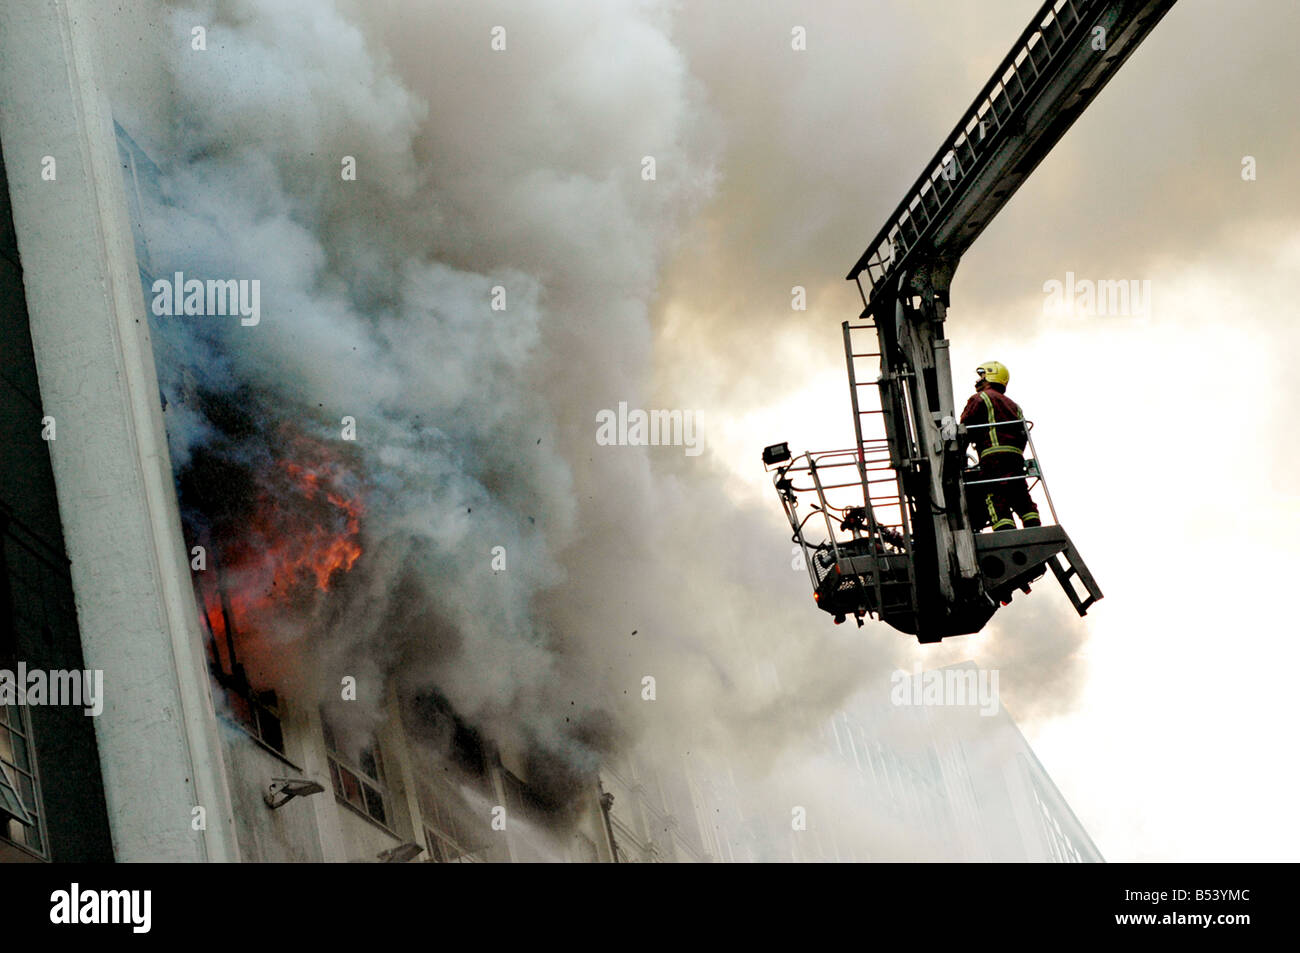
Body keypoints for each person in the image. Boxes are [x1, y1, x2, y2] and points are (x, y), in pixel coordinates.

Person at [959, 360, 1040, 531]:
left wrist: (959, 454)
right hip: (1015, 458)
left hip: (992, 458)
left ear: (990, 375)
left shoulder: (980, 398)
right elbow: (1023, 434)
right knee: (1020, 493)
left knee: (995, 494)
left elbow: (964, 427)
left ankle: (1005, 530)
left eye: (982, 375)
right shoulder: (1015, 406)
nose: (978, 380)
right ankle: (1033, 525)